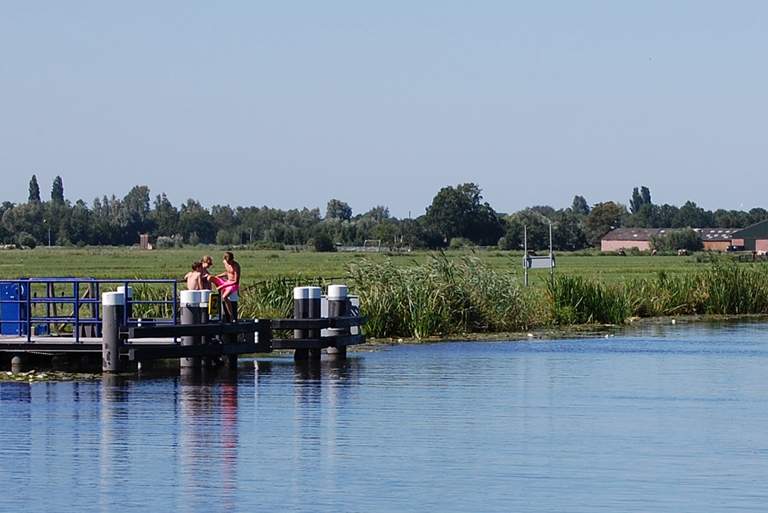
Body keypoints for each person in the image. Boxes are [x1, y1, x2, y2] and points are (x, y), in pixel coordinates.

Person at [208, 251, 240, 321]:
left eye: (230, 262)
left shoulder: (236, 266)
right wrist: (218, 276)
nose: (229, 264)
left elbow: (236, 281)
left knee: (224, 297)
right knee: (210, 278)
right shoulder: (225, 262)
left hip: (233, 284)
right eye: (228, 262)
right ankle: (209, 293)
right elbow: (227, 272)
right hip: (227, 282)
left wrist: (222, 286)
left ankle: (231, 316)